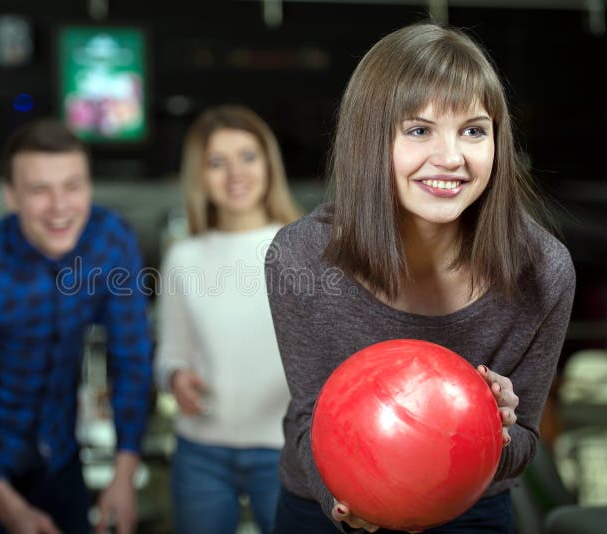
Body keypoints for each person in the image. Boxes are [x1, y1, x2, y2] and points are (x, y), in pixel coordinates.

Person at [265, 22, 576, 534]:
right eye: (419, 130)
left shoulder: (542, 271)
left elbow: (523, 443)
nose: (451, 158)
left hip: (469, 511)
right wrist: (346, 504)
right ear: (370, 138)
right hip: (329, 506)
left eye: (473, 130)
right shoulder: (302, 258)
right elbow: (310, 417)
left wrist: (495, 430)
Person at [0, 118, 153, 534]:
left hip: (58, 455)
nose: (59, 206)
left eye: (72, 186)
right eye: (39, 190)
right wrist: (11, 509)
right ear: (11, 196)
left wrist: (125, 472)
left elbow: (133, 360)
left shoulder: (110, 241)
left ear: (88, 187)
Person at [155, 105, 301, 534]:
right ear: (199, 176)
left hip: (286, 449)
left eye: (248, 157)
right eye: (217, 162)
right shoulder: (183, 256)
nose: (235, 173)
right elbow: (170, 355)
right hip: (200, 452)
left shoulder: (305, 248)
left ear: (269, 165)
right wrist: (175, 377)